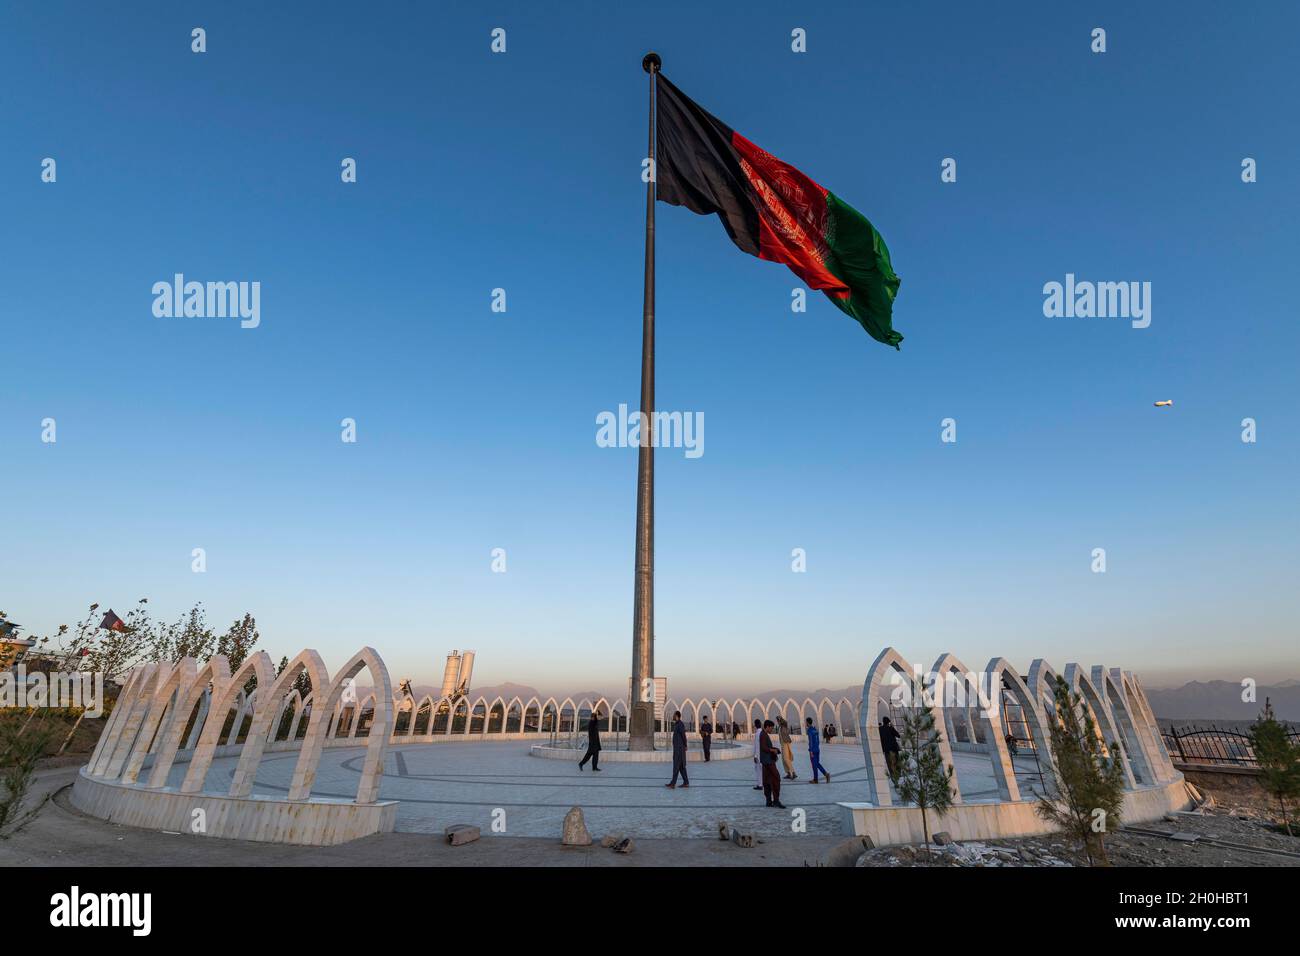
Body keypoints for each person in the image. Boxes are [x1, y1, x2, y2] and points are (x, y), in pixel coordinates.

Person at [759, 719, 785, 808]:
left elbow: (766, 747)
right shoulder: (763, 735)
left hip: (766, 761)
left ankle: (769, 801)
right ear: (767, 727)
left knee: (767, 780)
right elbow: (763, 748)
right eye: (771, 728)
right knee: (776, 778)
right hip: (768, 761)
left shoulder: (764, 734)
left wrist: (774, 749)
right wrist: (773, 750)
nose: (772, 730)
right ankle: (776, 800)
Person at [666, 710, 690, 788]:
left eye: (673, 715)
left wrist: (685, 745)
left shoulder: (680, 724)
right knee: (681, 767)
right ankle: (686, 782)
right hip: (677, 748)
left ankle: (673, 783)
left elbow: (683, 735)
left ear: (676, 716)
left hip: (679, 749)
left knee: (676, 766)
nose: (673, 716)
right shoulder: (677, 724)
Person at [805, 716, 831, 783]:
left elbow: (810, 741)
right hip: (817, 749)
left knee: (814, 765)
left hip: (813, 750)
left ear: (807, 723)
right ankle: (826, 774)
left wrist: (811, 751)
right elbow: (818, 741)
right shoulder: (815, 730)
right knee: (817, 764)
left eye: (806, 722)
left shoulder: (810, 730)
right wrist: (816, 747)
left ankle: (816, 779)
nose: (806, 724)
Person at [750, 718, 763, 790]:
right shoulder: (762, 732)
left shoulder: (758, 733)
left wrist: (755, 756)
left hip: (758, 756)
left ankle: (760, 784)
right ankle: (762, 784)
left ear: (755, 725)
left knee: (758, 770)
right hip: (762, 755)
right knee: (761, 770)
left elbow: (757, 745)